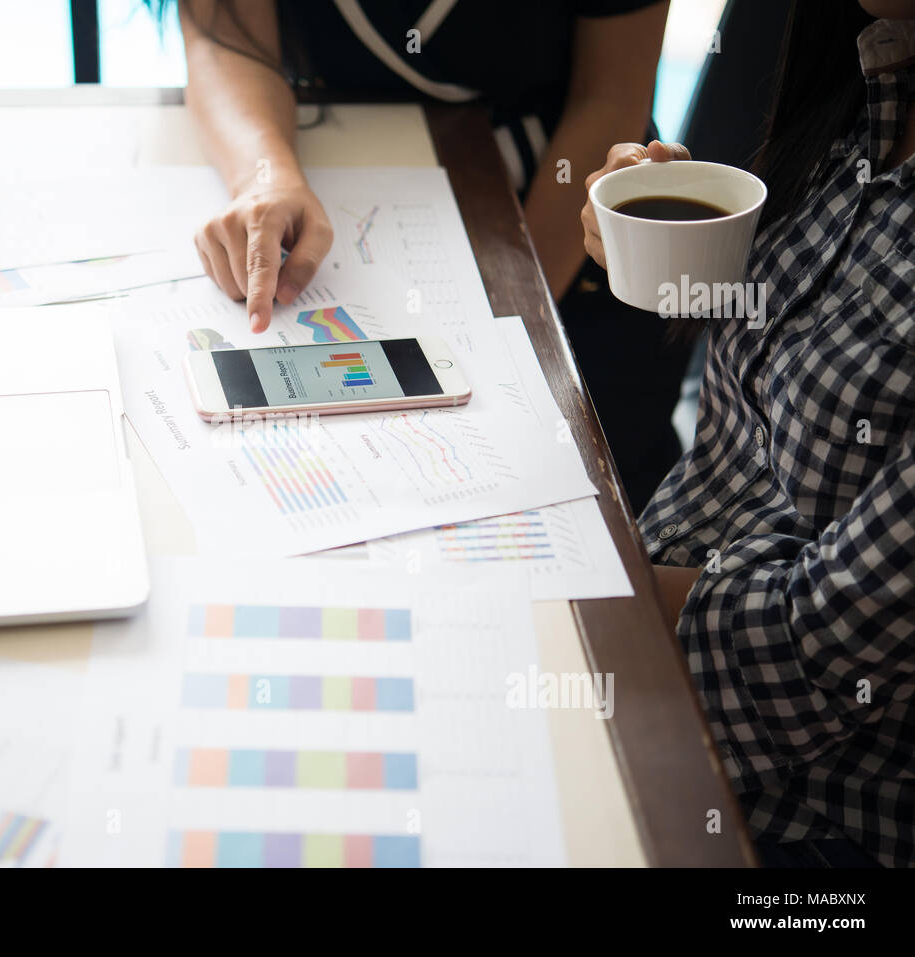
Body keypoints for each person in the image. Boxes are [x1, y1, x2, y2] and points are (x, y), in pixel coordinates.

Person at [582, 2, 915, 867]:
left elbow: (824, 636)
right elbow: (797, 364)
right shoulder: (873, 81)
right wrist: (659, 242)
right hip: (663, 642)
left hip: (816, 827)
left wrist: (582, 600)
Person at [161, 0, 687, 514]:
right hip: (341, 169)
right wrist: (265, 178)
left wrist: (505, 319)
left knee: (591, 496)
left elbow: (609, 97)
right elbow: (227, 42)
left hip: (575, 242)